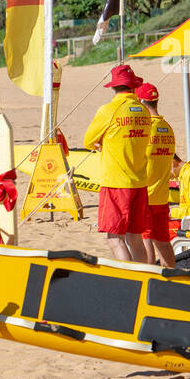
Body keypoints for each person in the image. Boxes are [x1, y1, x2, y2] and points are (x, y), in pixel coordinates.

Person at [83, 64, 151, 263]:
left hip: (116, 182)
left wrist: (102, 142)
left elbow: (88, 140)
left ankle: (130, 280)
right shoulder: (143, 110)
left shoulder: (109, 109)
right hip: (139, 181)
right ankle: (142, 278)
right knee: (136, 239)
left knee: (115, 240)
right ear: (132, 87)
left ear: (114, 87)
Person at [135, 81, 176, 267]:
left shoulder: (146, 128)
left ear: (141, 103)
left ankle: (148, 278)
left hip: (146, 194)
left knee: (146, 242)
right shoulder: (167, 128)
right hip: (162, 194)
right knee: (163, 241)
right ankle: (173, 279)